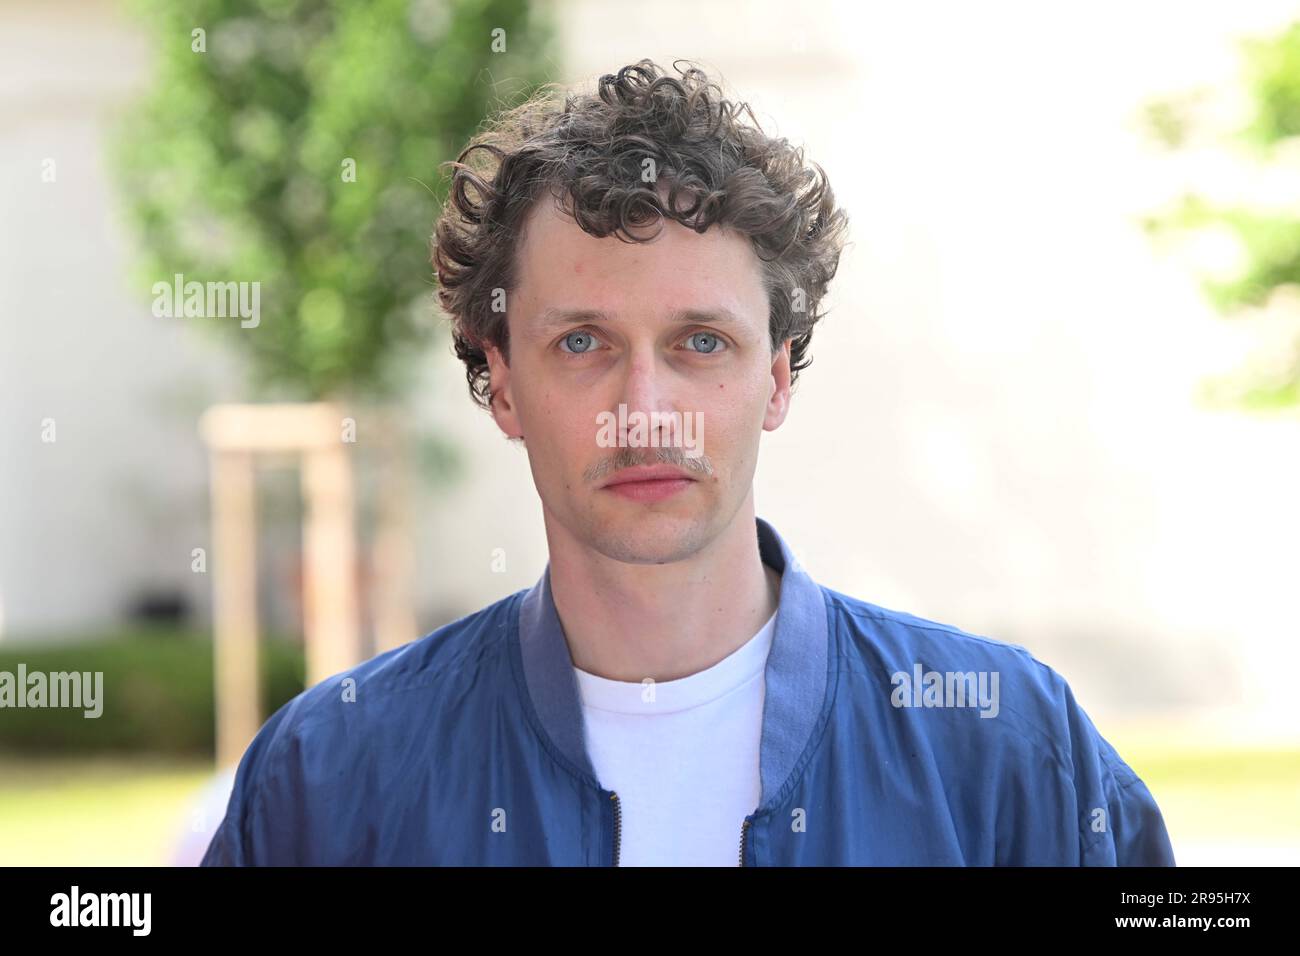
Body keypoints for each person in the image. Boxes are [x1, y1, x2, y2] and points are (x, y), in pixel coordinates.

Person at [201, 59, 1175, 866]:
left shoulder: (1004, 746)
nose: (646, 412)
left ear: (778, 377)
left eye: (700, 342)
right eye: (582, 343)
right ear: (500, 383)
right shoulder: (330, 776)